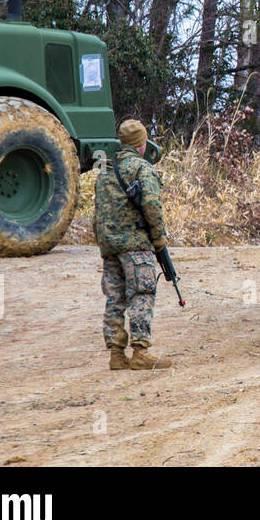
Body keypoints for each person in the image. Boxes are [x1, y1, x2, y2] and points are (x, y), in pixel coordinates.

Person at [95, 119, 172, 370]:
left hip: (110, 247)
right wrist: (158, 238)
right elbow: (151, 205)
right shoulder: (142, 168)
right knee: (141, 293)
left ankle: (116, 355)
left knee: (115, 298)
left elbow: (99, 211)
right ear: (142, 144)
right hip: (136, 245)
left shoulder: (105, 170)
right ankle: (140, 353)